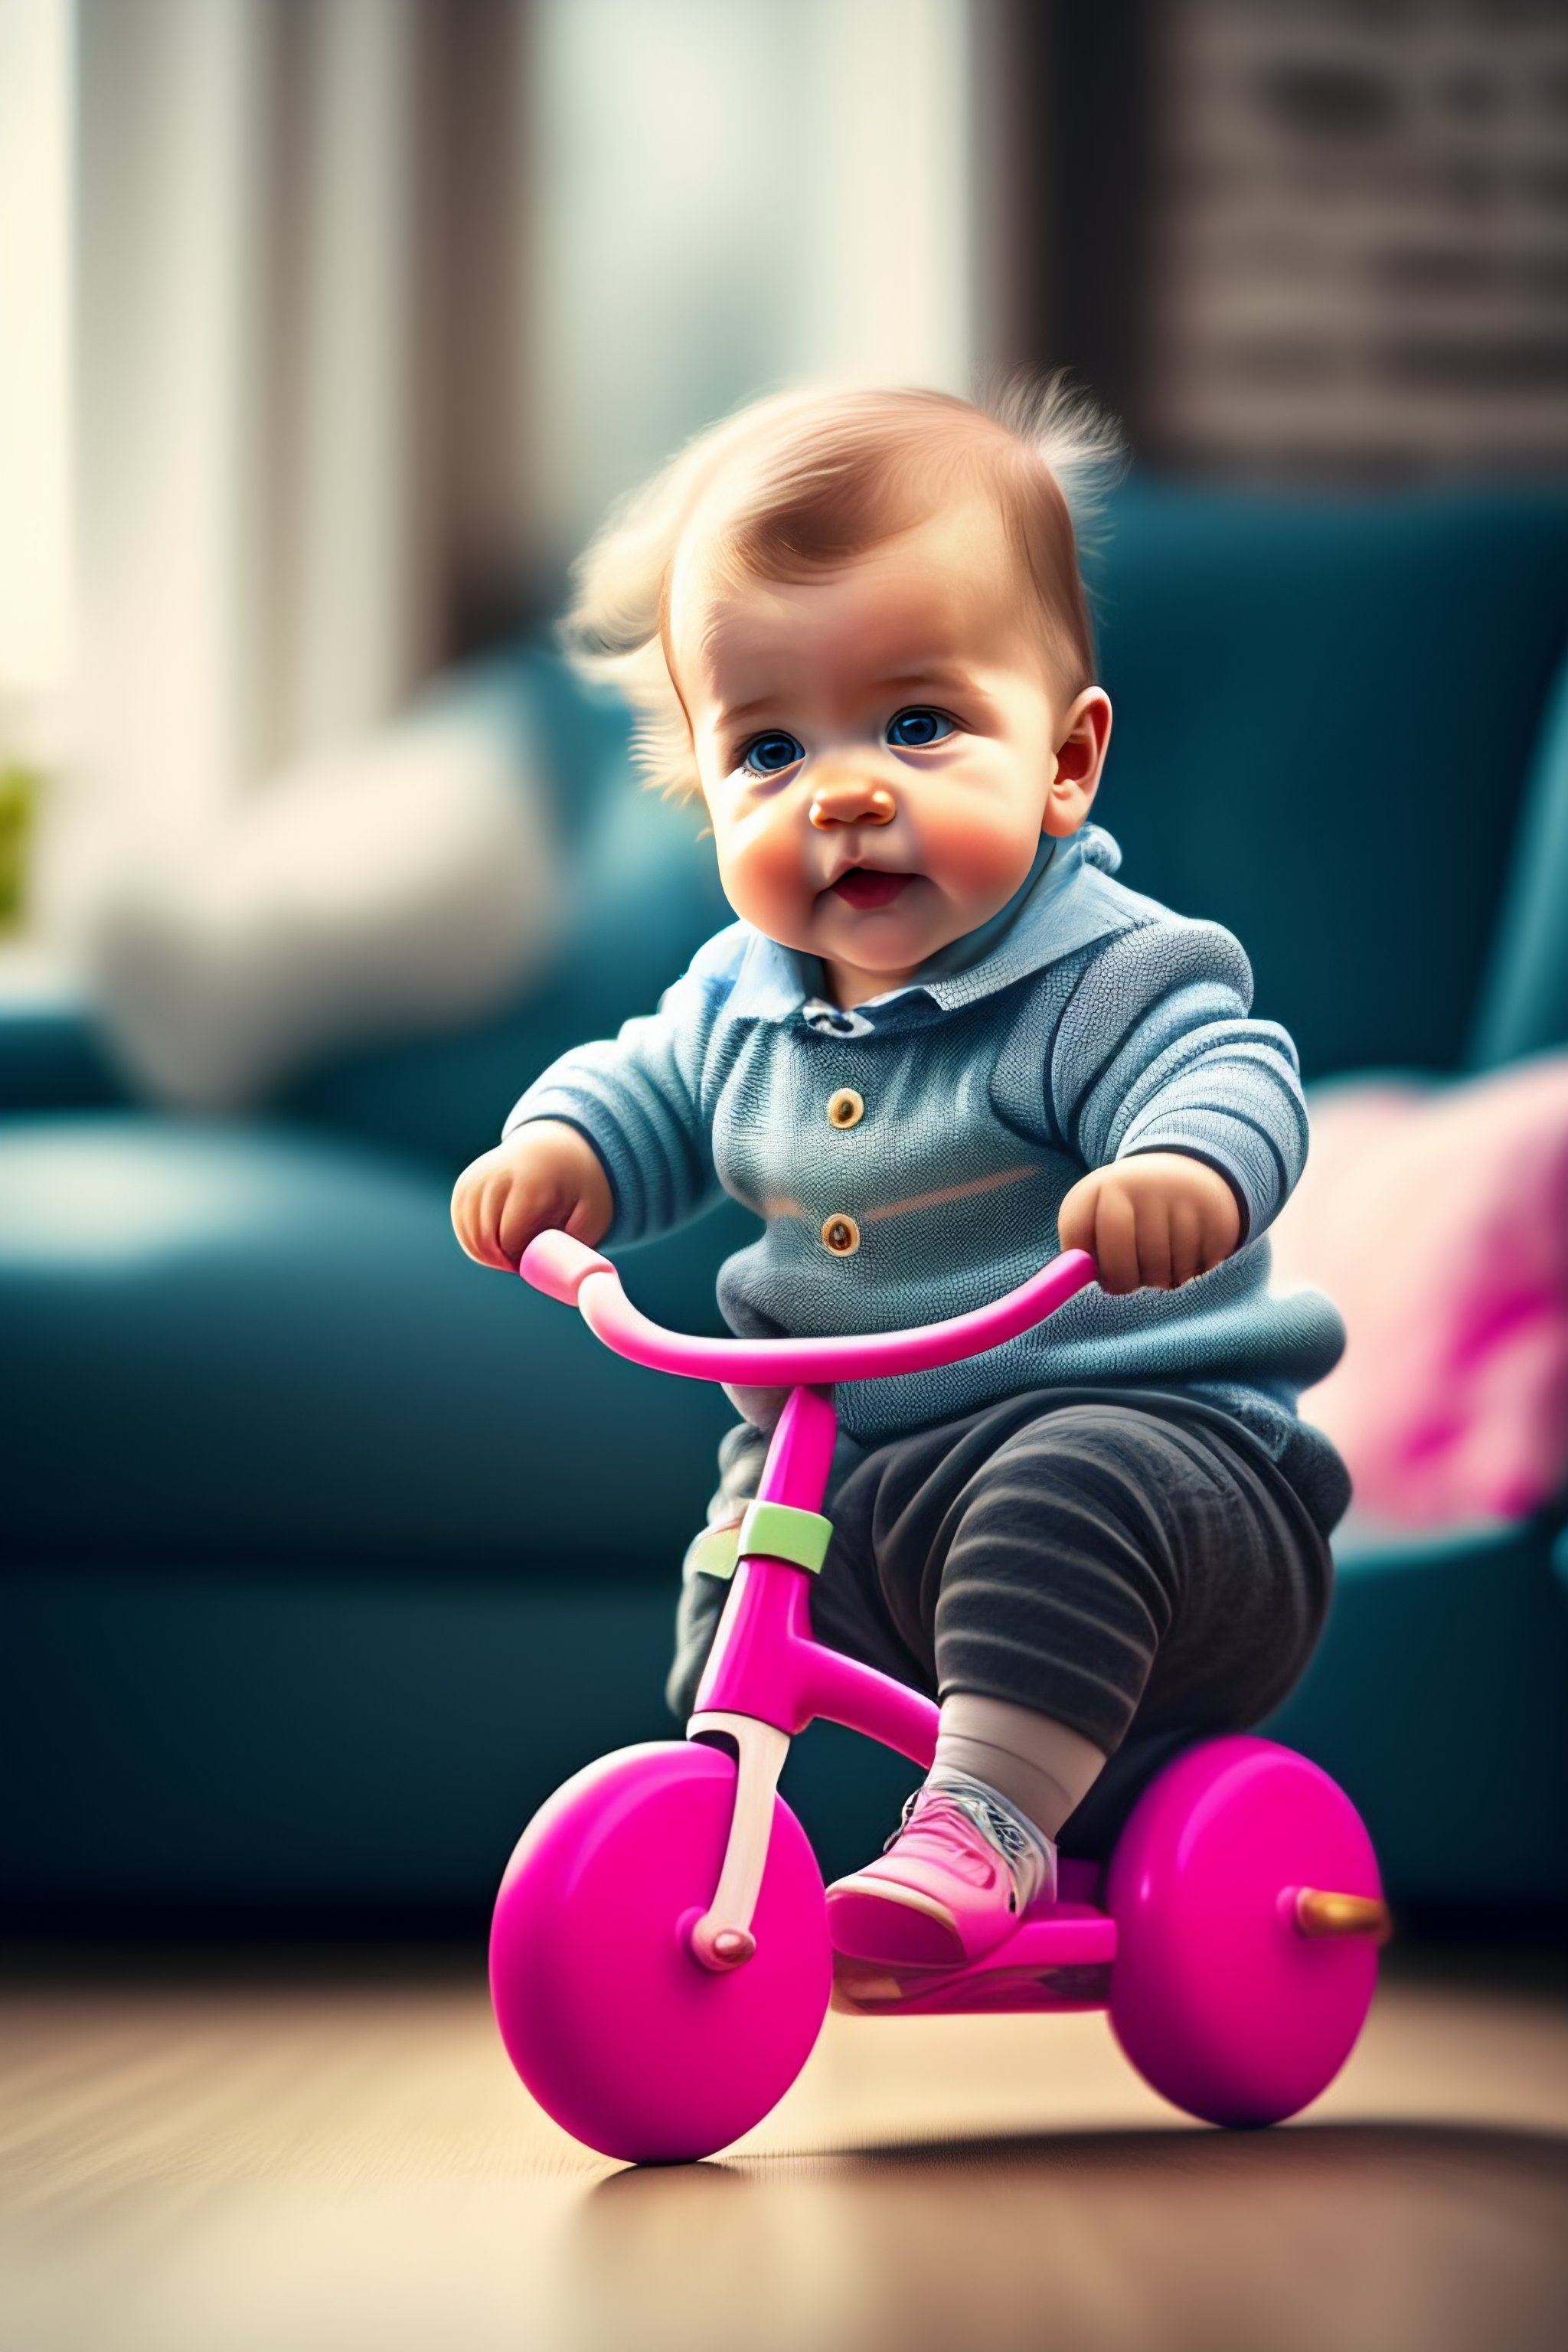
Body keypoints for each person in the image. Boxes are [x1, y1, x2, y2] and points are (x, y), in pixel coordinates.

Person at [451, 382, 1348, 1974]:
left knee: (1061, 1490)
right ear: (709, 796)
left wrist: (1182, 1170)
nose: (846, 791)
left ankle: (988, 1823)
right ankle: (727, 1849)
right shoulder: (738, 1001)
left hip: (1171, 1478)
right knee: (739, 1589)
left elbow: (1227, 1074)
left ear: (1065, 762)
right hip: (855, 1472)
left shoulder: (1105, 979)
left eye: (917, 724)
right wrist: (558, 1154)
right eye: (770, 749)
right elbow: (646, 1087)